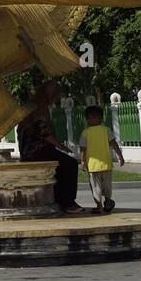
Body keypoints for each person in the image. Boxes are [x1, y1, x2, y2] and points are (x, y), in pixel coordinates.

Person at [17, 81, 86, 215]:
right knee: (70, 164)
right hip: (36, 151)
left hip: (34, 150)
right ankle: (68, 202)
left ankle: (60, 199)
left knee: (62, 166)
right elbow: (43, 132)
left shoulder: (33, 106)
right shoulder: (37, 108)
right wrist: (61, 146)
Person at [79, 104, 124, 214]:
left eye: (93, 117)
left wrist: (82, 161)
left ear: (100, 118)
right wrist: (120, 156)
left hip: (93, 165)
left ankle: (99, 206)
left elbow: (83, 149)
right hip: (106, 164)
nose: (91, 120)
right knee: (107, 186)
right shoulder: (106, 130)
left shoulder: (85, 133)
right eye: (90, 118)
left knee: (95, 187)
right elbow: (113, 143)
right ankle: (108, 202)